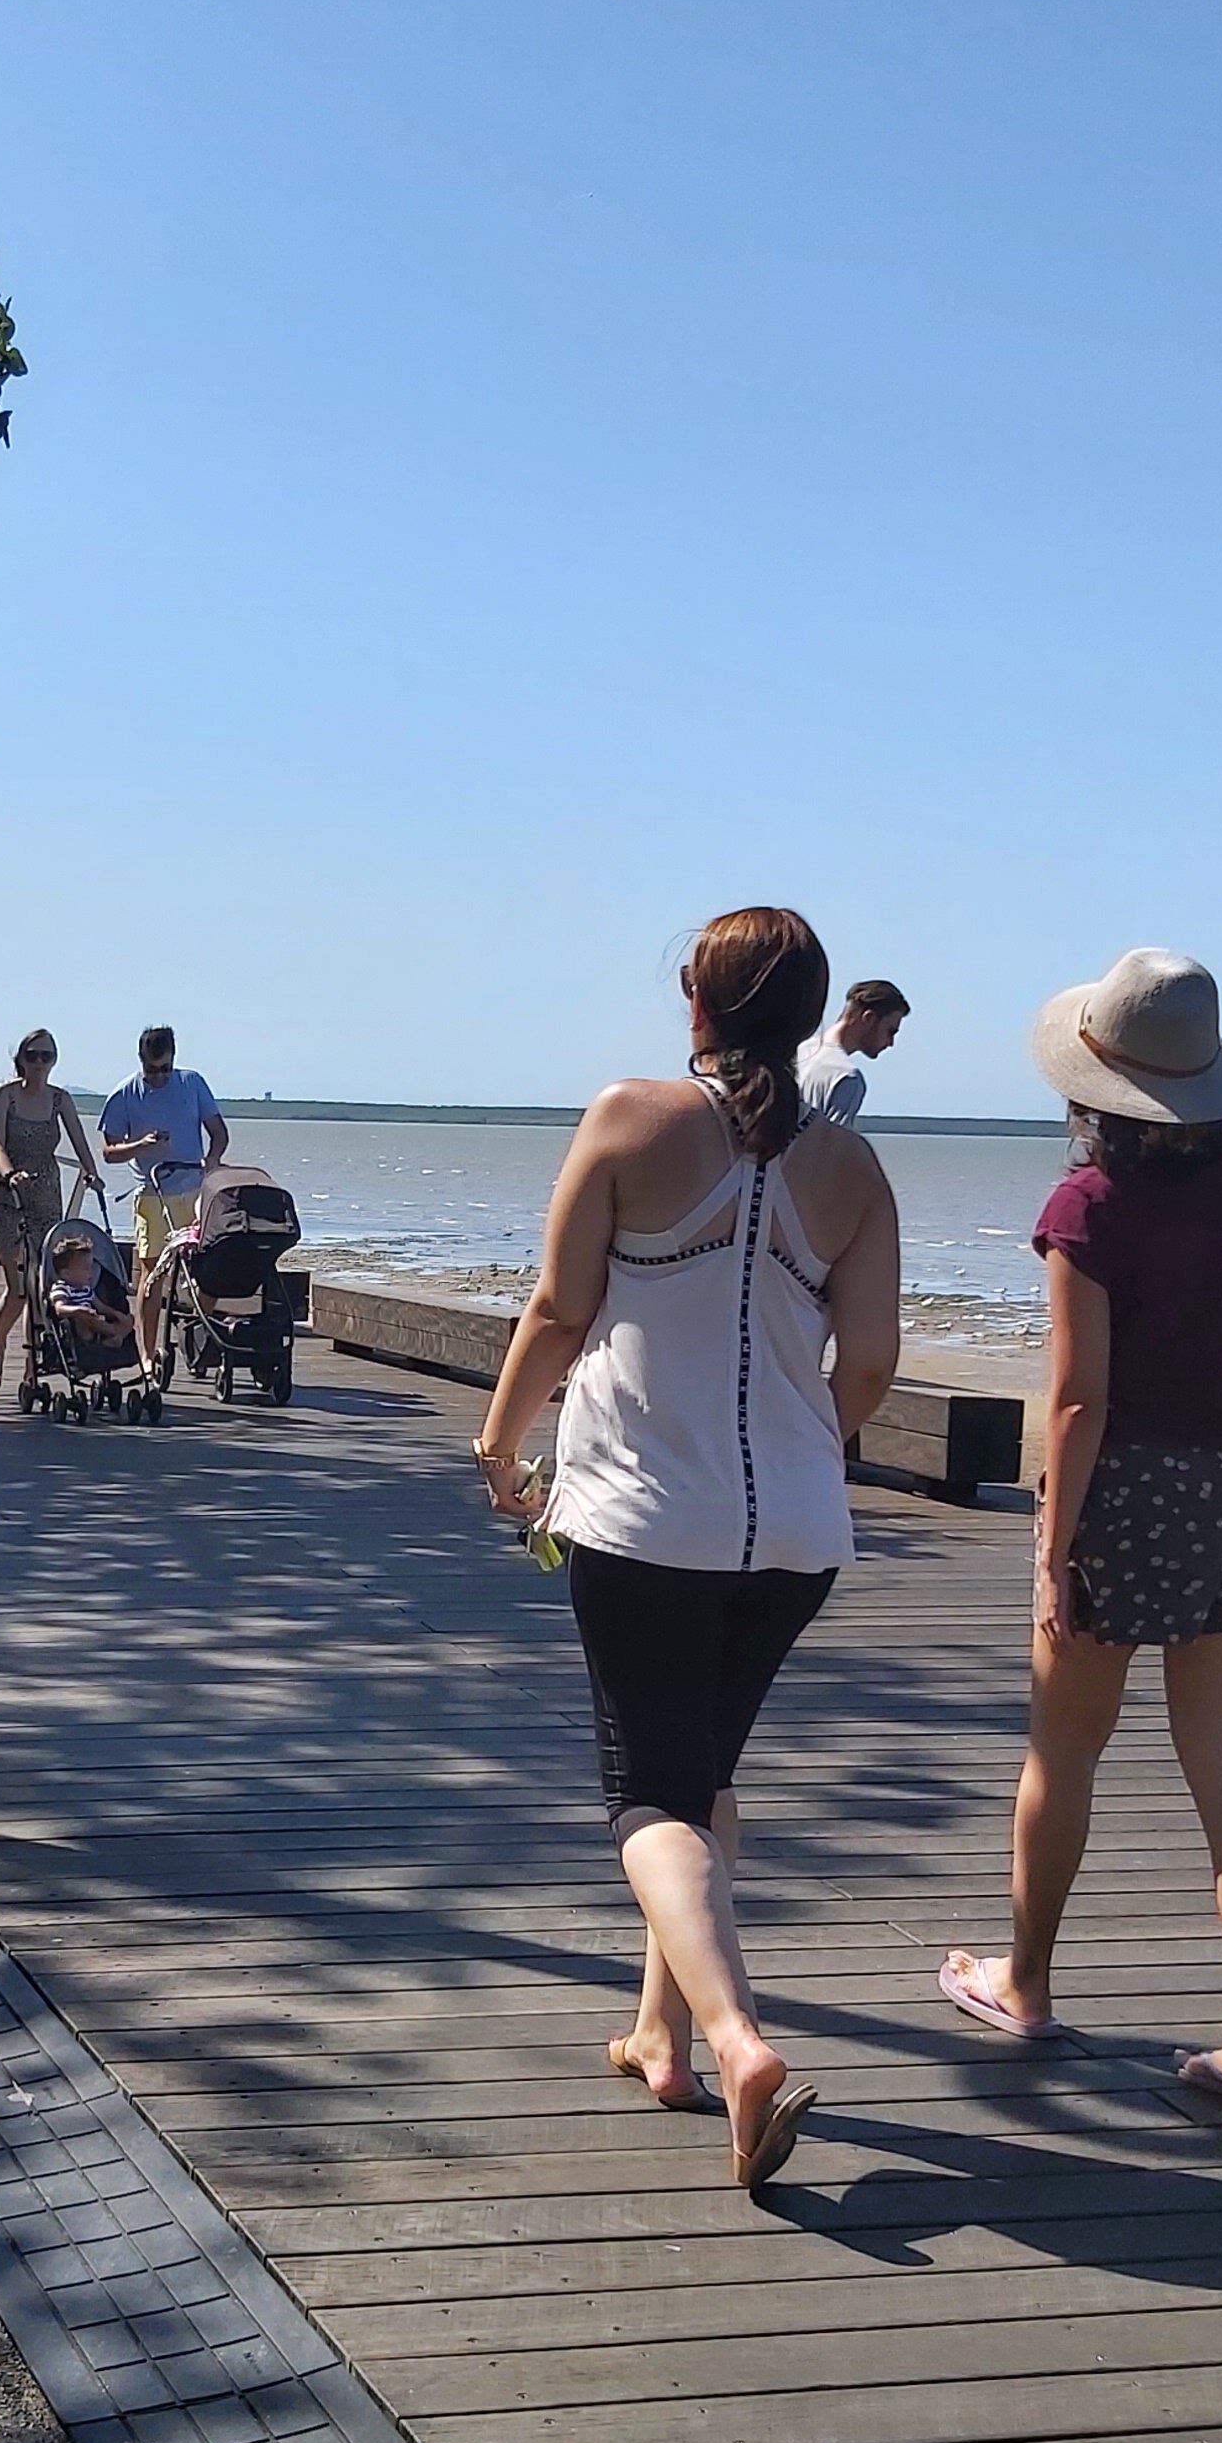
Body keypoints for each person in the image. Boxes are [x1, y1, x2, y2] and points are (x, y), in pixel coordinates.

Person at [474, 908, 901, 2193]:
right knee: (704, 1765)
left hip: (643, 1514)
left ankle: (736, 2039)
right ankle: (660, 2033)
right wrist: (806, 1440)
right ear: (817, 1009)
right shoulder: (855, 1173)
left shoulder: (629, 1117)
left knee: (647, 1793)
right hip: (798, 1530)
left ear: (693, 998)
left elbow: (560, 1306)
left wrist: (500, 1445)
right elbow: (870, 1365)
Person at [935, 947, 1222, 2123]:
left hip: (1128, 1500)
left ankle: (1024, 1983)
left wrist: (1050, 1551)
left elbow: (1079, 1399)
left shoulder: (1086, 1204)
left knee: (1063, 1755)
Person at [0, 1031, 104, 1389]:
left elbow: (79, 1140)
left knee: (43, 1283)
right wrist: (10, 1173)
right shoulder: (7, 1094)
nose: (40, 1063)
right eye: (33, 1056)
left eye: (47, 1056)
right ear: (21, 1058)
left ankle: (33, 1367)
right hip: (8, 1192)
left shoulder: (60, 1099)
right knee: (19, 1285)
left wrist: (91, 1173)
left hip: (47, 1192)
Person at [97, 1025, 229, 1371]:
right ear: (141, 1061)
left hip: (194, 1190)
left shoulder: (192, 1083)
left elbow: (218, 1132)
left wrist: (213, 1160)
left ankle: (197, 1337)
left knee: (212, 1266)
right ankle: (147, 1353)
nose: (158, 1077)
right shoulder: (125, 1094)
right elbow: (109, 1151)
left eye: (165, 1069)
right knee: (151, 1274)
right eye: (152, 1070)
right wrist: (140, 1145)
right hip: (152, 1195)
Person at [798, 978, 911, 1127]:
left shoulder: (797, 1050)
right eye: (890, 1032)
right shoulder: (846, 1077)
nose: (891, 1043)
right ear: (868, 1018)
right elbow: (832, 1146)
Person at [41, 1219, 135, 1358]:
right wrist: (78, 1310)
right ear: (67, 1273)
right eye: (86, 1269)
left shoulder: (86, 1289)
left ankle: (116, 1335)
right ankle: (114, 1334)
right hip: (77, 1327)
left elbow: (101, 1307)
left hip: (96, 1322)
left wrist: (116, 1314)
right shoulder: (61, 1288)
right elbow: (59, 1308)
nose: (91, 1272)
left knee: (129, 1319)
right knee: (83, 1319)